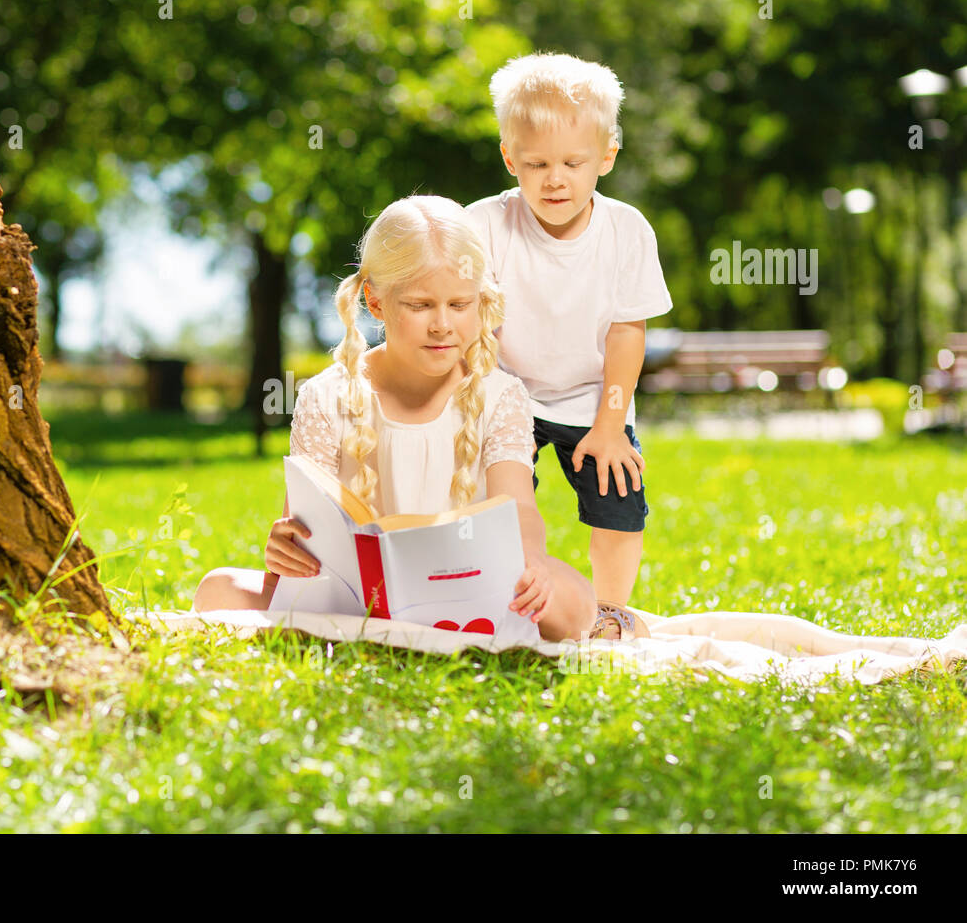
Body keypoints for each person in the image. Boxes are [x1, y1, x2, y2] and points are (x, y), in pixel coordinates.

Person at [193, 195, 637, 642]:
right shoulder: (325, 396)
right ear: (377, 301)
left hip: (472, 590)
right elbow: (302, 526)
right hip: (356, 596)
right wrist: (283, 547)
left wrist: (533, 563)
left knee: (573, 598)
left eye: (460, 305)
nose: (442, 325)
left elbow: (518, 506)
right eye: (421, 305)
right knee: (218, 589)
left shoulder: (500, 396)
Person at [465, 52, 673, 638]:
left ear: (606, 156)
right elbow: (470, 318)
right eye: (536, 164)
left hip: (593, 402)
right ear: (510, 158)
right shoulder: (484, 225)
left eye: (573, 162)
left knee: (619, 500)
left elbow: (627, 332)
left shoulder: (627, 230)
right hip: (507, 396)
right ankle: (497, 598)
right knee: (494, 502)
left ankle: (609, 610)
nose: (555, 179)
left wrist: (609, 426)